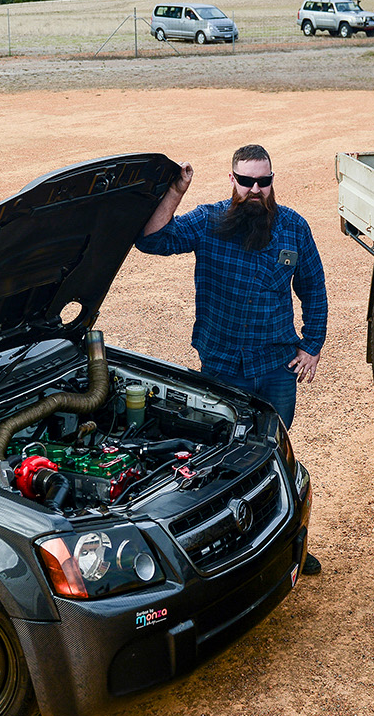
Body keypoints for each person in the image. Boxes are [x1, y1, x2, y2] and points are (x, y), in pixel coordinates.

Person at [136, 144, 327, 575]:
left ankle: (289, 537)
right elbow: (151, 240)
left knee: (276, 454)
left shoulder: (293, 227)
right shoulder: (207, 222)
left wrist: (312, 346)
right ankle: (226, 549)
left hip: (277, 366)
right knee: (221, 461)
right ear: (232, 180)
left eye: (264, 181)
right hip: (221, 367)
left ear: (272, 180)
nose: (256, 189)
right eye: (247, 181)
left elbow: (313, 287)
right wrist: (177, 190)